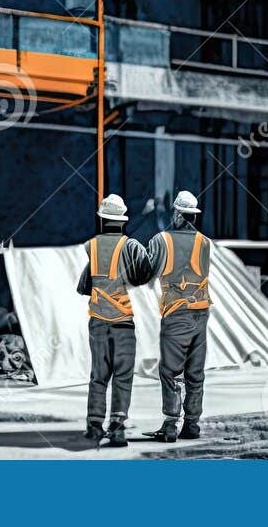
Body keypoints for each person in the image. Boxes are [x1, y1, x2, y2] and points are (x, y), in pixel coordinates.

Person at [76, 193, 152, 447]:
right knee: (122, 376)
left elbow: (85, 285)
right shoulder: (131, 246)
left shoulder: (92, 246)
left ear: (101, 219)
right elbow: (143, 276)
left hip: (97, 321)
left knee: (98, 375)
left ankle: (94, 425)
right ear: (122, 221)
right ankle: (117, 429)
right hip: (122, 322)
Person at [145, 189, 211, 441]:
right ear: (194, 216)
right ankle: (192, 424)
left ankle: (170, 425)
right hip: (201, 311)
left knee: (170, 370)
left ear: (178, 215)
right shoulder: (205, 242)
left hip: (176, 312)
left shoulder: (162, 240)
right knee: (195, 371)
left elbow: (148, 272)